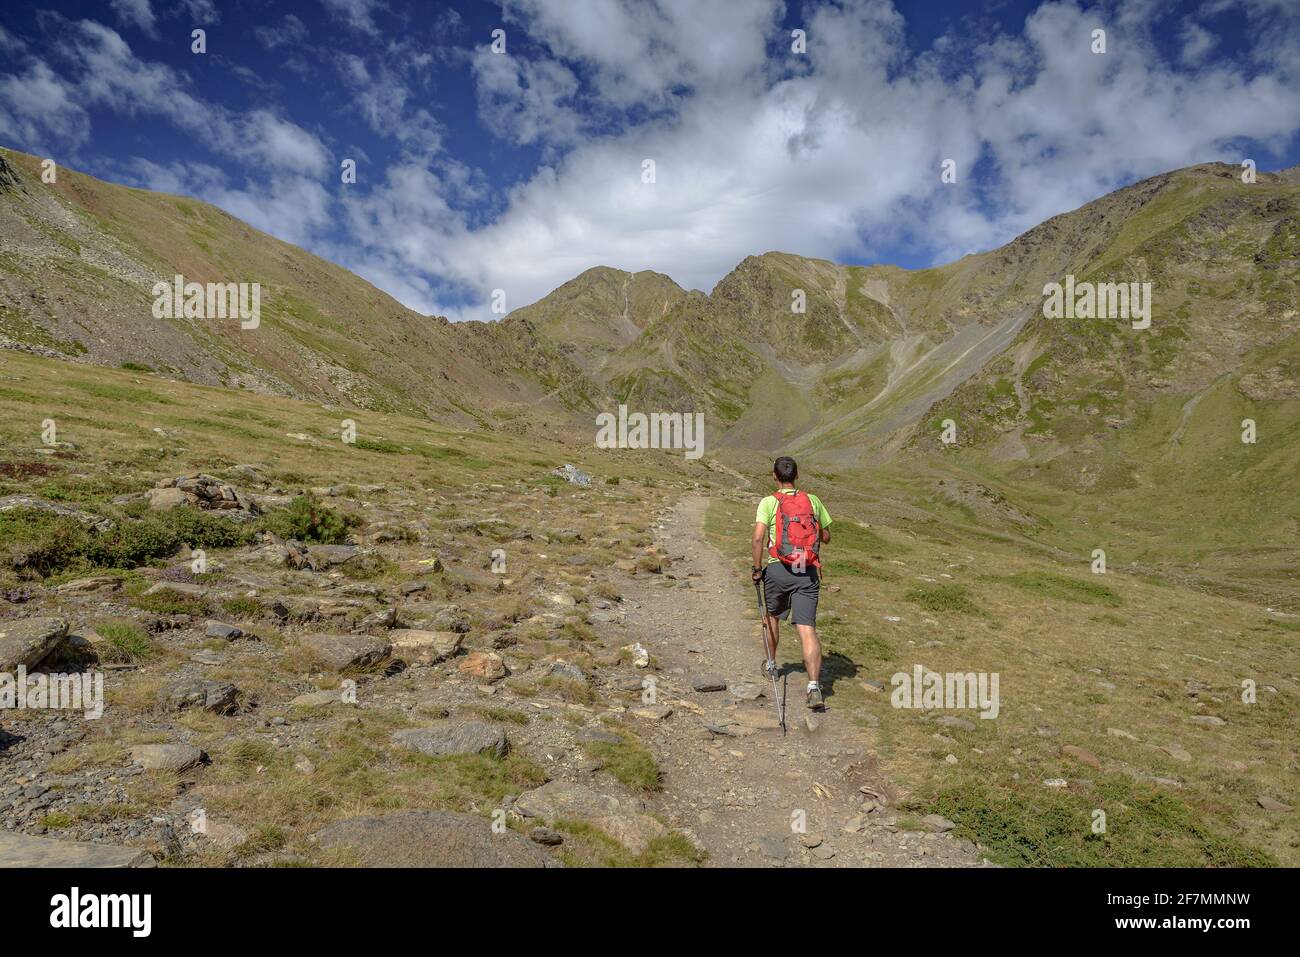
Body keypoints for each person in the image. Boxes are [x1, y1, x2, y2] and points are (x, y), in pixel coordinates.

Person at [751, 456, 832, 710]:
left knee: (772, 617)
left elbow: (757, 539)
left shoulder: (769, 502)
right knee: (807, 629)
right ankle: (813, 686)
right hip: (806, 571)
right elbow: (826, 537)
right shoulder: (813, 501)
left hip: (778, 569)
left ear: (774, 477)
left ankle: (772, 665)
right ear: (797, 475)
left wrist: (756, 569)